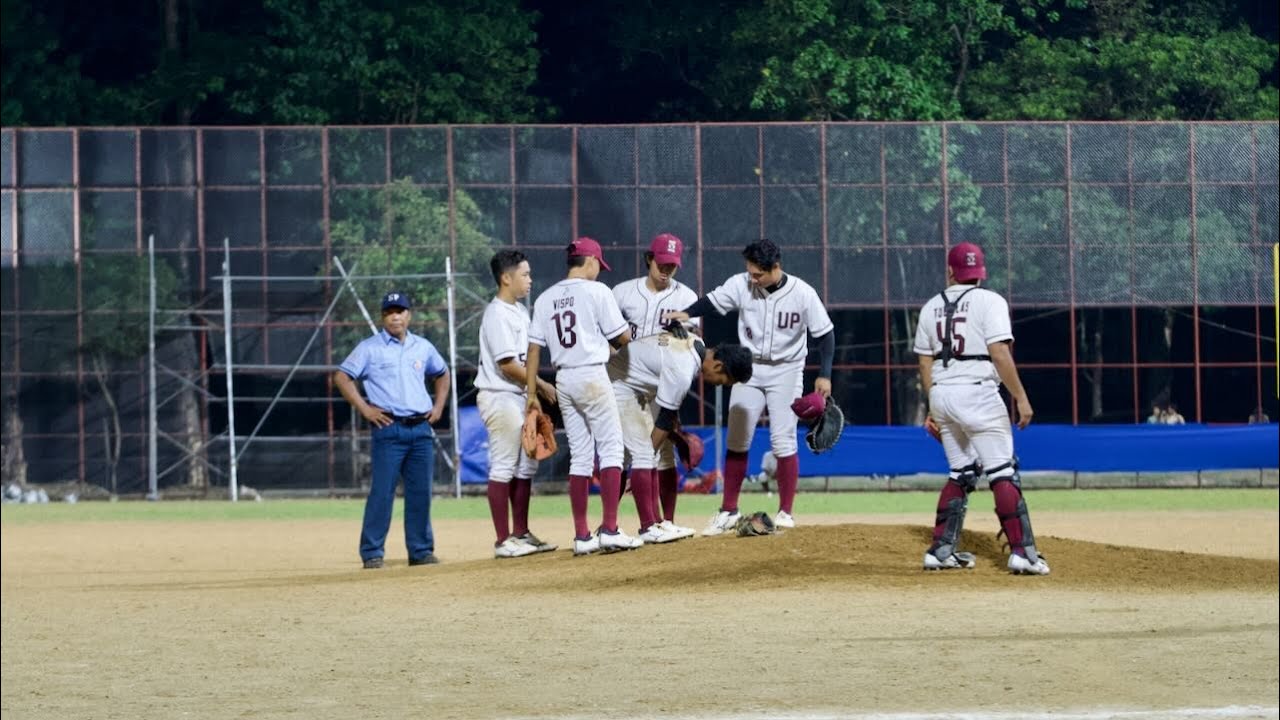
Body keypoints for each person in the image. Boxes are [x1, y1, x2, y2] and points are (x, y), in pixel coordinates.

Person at [664, 238, 835, 534]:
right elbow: (714, 301)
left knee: (783, 440)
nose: (753, 278)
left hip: (787, 370)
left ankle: (785, 513)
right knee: (738, 438)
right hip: (749, 369)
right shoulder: (742, 283)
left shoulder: (803, 293)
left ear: (776, 268)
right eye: (750, 272)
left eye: (758, 274)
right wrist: (687, 313)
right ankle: (729, 510)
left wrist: (825, 374)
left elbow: (826, 334)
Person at [914, 242, 1049, 576]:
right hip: (978, 393)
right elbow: (1000, 353)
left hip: (943, 393)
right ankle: (1023, 554)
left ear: (950, 271)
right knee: (1002, 471)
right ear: (980, 273)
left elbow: (924, 361)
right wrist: (1021, 397)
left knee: (961, 472)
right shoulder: (991, 301)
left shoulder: (930, 306)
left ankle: (941, 550)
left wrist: (934, 403)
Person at [526, 237, 638, 556]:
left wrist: (531, 393)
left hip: (564, 379)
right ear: (589, 261)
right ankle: (611, 530)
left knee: (580, 455)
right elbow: (622, 337)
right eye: (598, 266)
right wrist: (628, 331)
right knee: (613, 449)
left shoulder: (545, 298)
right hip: (591, 374)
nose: (599, 272)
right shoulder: (597, 291)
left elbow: (533, 349)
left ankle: (582, 536)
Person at [333, 291, 450, 570]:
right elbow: (342, 376)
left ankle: (420, 551)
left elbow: (443, 373)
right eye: (389, 312)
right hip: (389, 429)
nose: (395, 316)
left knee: (420, 492)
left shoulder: (422, 347)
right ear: (382, 316)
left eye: (400, 311)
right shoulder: (369, 348)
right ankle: (372, 552)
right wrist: (365, 409)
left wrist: (439, 407)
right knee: (382, 492)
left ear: (409, 315)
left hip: (420, 429)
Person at [608, 325, 754, 543]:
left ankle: (608, 527)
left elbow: (667, 414)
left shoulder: (697, 343)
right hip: (618, 385)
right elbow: (664, 421)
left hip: (624, 382)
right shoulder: (684, 371)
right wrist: (643, 470)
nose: (718, 385)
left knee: (628, 458)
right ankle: (647, 527)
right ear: (718, 364)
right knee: (644, 455)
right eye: (724, 381)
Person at [612, 233, 701, 535]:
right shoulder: (622, 293)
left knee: (662, 453)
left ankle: (666, 522)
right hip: (626, 379)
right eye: (661, 263)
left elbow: (694, 342)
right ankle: (625, 524)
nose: (666, 271)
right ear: (649, 258)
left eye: (672, 266)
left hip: (664, 383)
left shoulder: (687, 297)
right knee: (627, 452)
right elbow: (605, 332)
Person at [476, 249, 561, 559]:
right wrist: (538, 386)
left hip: (520, 396)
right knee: (504, 466)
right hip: (499, 395)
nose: (530, 279)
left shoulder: (520, 312)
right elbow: (508, 366)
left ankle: (521, 533)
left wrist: (531, 396)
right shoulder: (496, 313)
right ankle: (502, 541)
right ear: (506, 278)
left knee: (526, 464)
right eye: (524, 274)